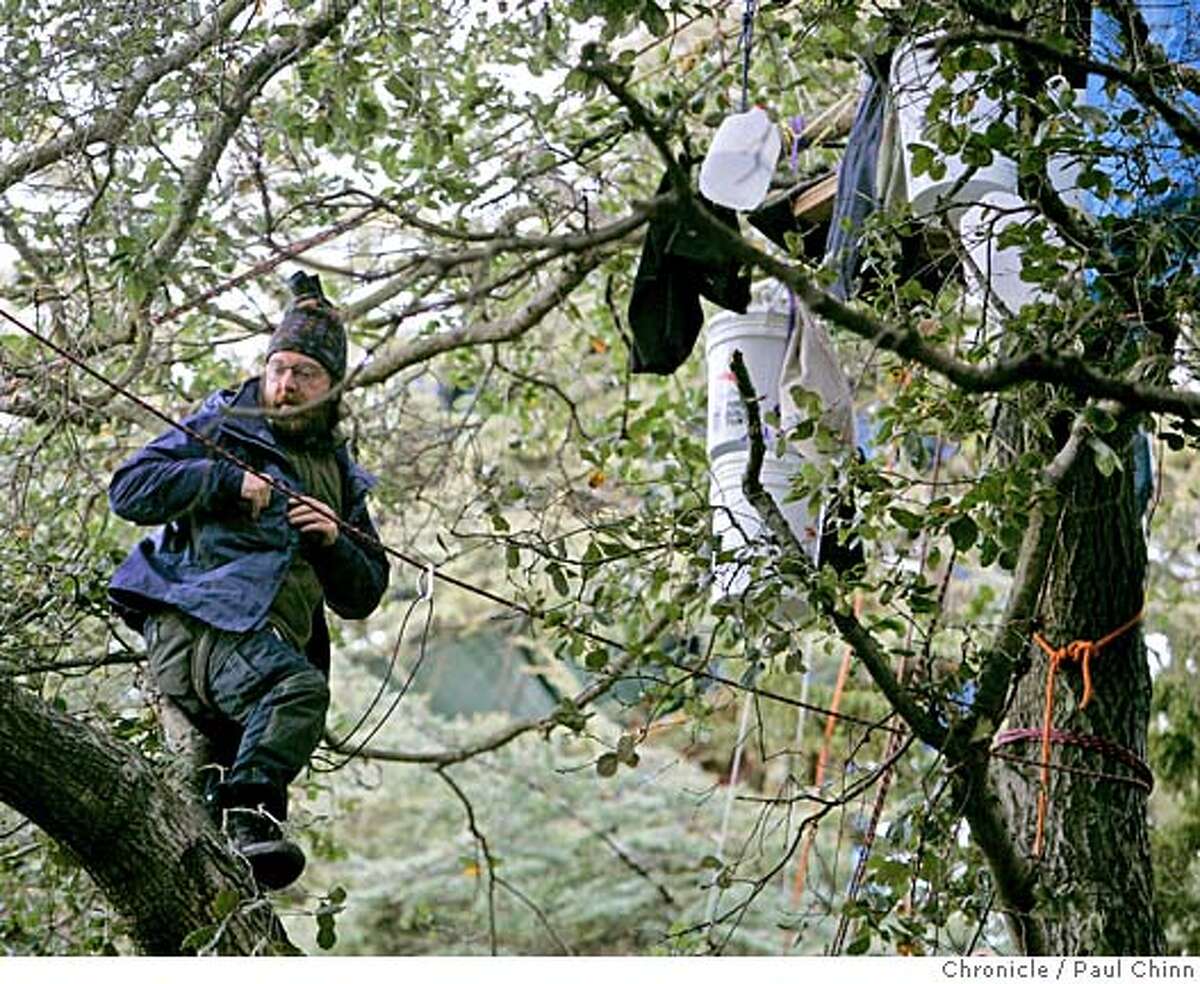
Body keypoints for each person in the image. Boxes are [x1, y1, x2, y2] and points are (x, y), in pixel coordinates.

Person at [107, 272, 389, 890]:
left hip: (253, 654)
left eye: (303, 374)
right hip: (199, 627)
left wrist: (334, 540)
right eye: (277, 368)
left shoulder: (341, 476)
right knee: (297, 692)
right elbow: (128, 490)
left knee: (226, 851)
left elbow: (364, 592)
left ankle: (241, 846)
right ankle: (250, 813)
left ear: (331, 386)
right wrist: (224, 481)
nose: (284, 387)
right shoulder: (223, 424)